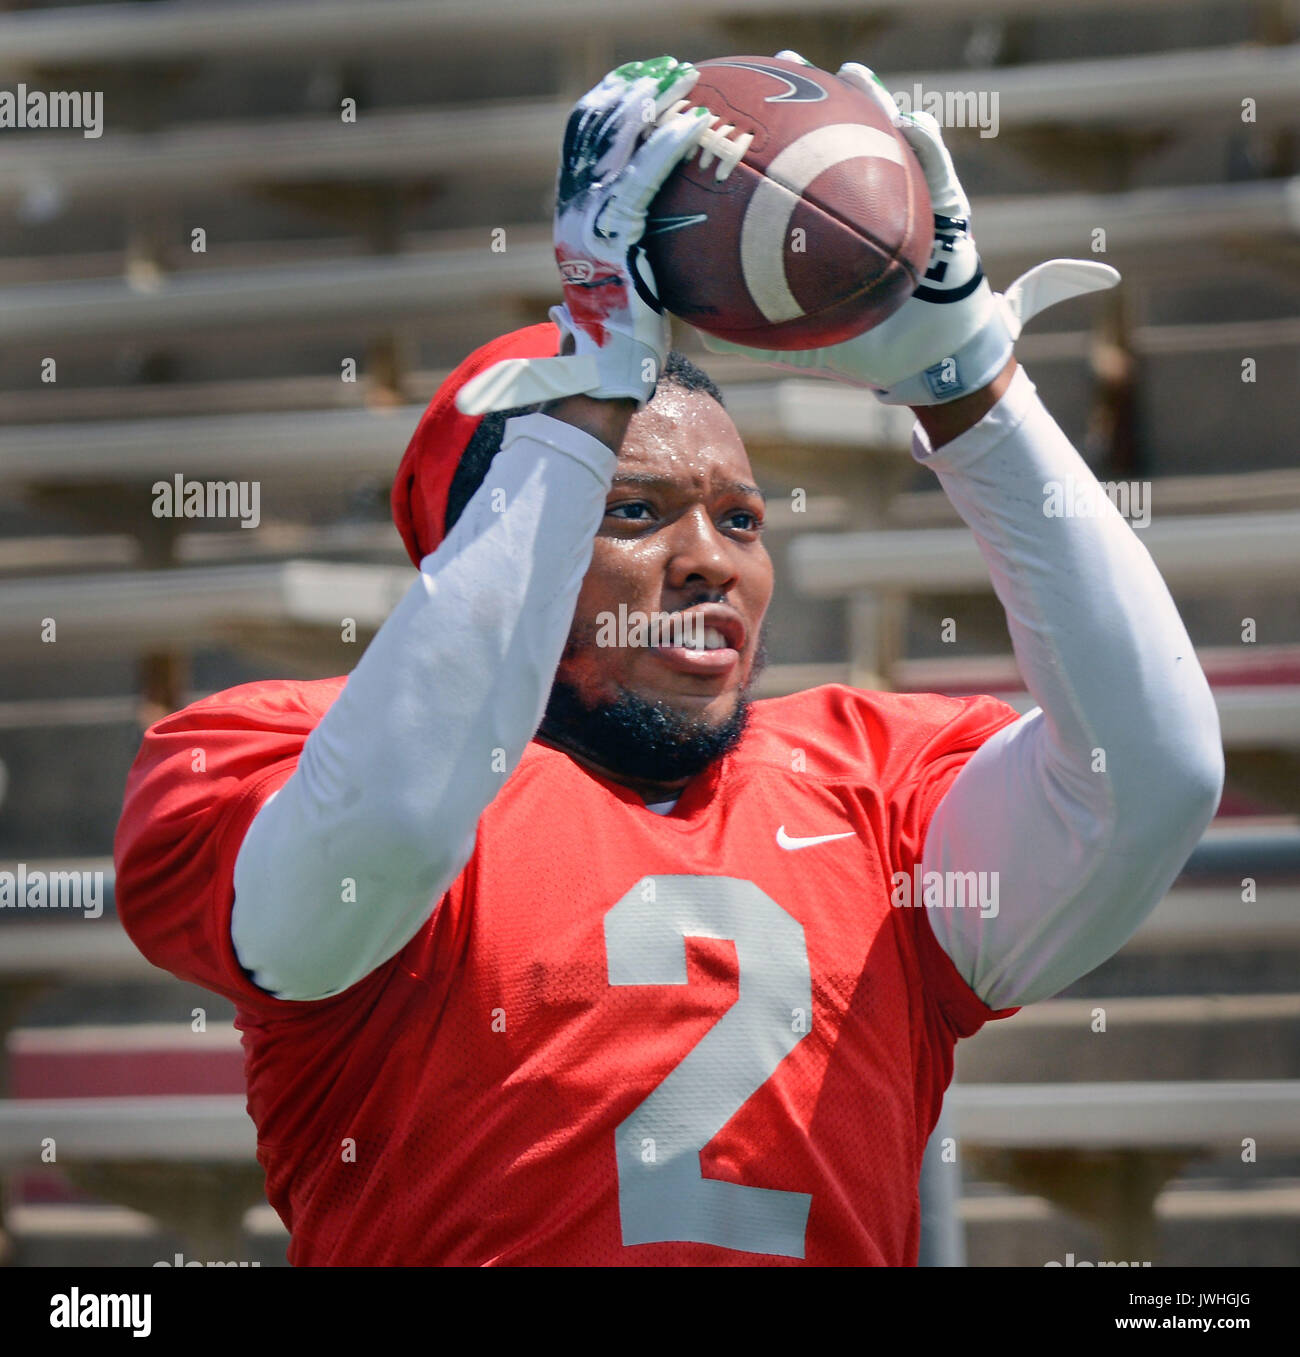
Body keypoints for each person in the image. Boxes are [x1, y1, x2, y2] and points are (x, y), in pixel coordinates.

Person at [114, 54, 1223, 1265]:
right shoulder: (268, 755)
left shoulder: (870, 789)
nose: (712, 562)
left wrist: (973, 387)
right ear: (498, 544)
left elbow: (1151, 776)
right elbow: (377, 834)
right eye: (633, 511)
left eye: (742, 518)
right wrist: (587, 392)